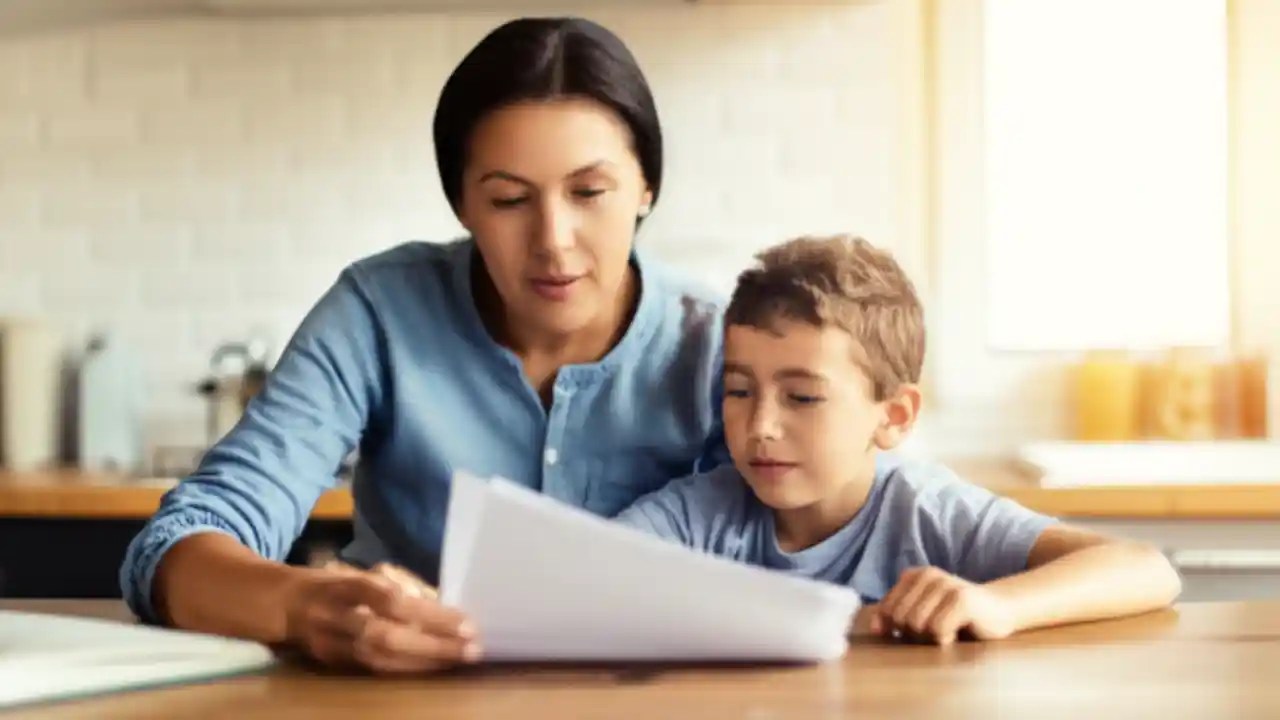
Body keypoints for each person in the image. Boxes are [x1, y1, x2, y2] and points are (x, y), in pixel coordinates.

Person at [120, 17, 731, 674]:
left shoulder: (717, 344)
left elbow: (800, 553)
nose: (554, 240)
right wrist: (306, 608)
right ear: (462, 205)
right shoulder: (379, 312)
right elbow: (176, 548)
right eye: (508, 199)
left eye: (588, 193)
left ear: (646, 188)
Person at [614, 235, 1182, 645]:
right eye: (739, 391)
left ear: (894, 416)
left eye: (802, 397)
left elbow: (1146, 569)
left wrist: (997, 603)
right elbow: (588, 584)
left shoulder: (928, 511)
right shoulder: (700, 513)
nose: (760, 425)